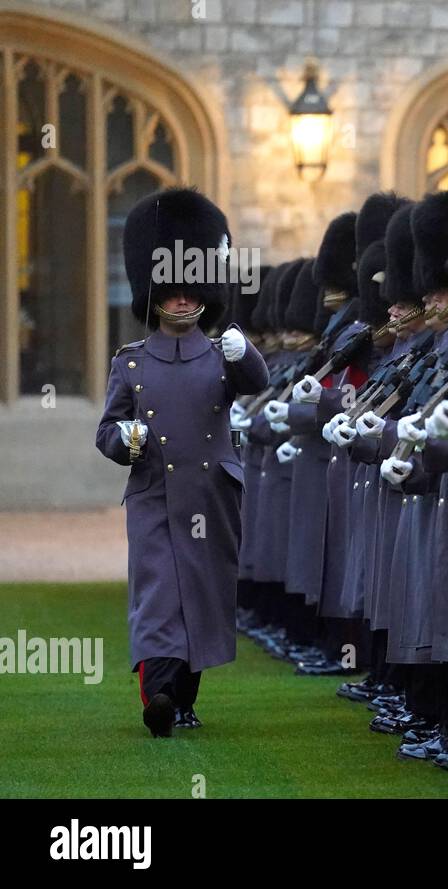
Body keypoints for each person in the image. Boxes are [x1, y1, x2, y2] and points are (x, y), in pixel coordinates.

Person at [96, 186, 269, 737]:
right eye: (169, 294)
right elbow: (107, 432)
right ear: (154, 297)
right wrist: (125, 439)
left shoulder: (224, 356)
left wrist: (249, 352)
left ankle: (185, 697)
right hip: (153, 495)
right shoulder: (129, 364)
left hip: (210, 496)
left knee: (201, 593)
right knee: (157, 593)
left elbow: (255, 383)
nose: (180, 301)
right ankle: (160, 697)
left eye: (190, 292)